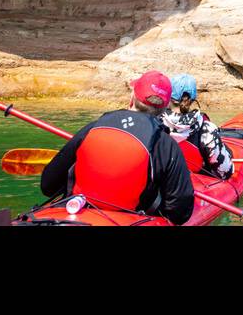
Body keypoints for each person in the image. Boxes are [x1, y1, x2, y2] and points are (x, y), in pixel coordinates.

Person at [40, 71, 195, 224]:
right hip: (131, 218)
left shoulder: (92, 128)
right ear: (164, 108)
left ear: (132, 98)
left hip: (76, 214)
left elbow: (48, 186)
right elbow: (180, 213)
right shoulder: (166, 145)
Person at [161, 73, 234, 179]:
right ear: (193, 99)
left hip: (164, 183)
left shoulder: (155, 123)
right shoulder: (207, 128)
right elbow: (225, 171)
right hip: (199, 183)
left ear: (168, 96)